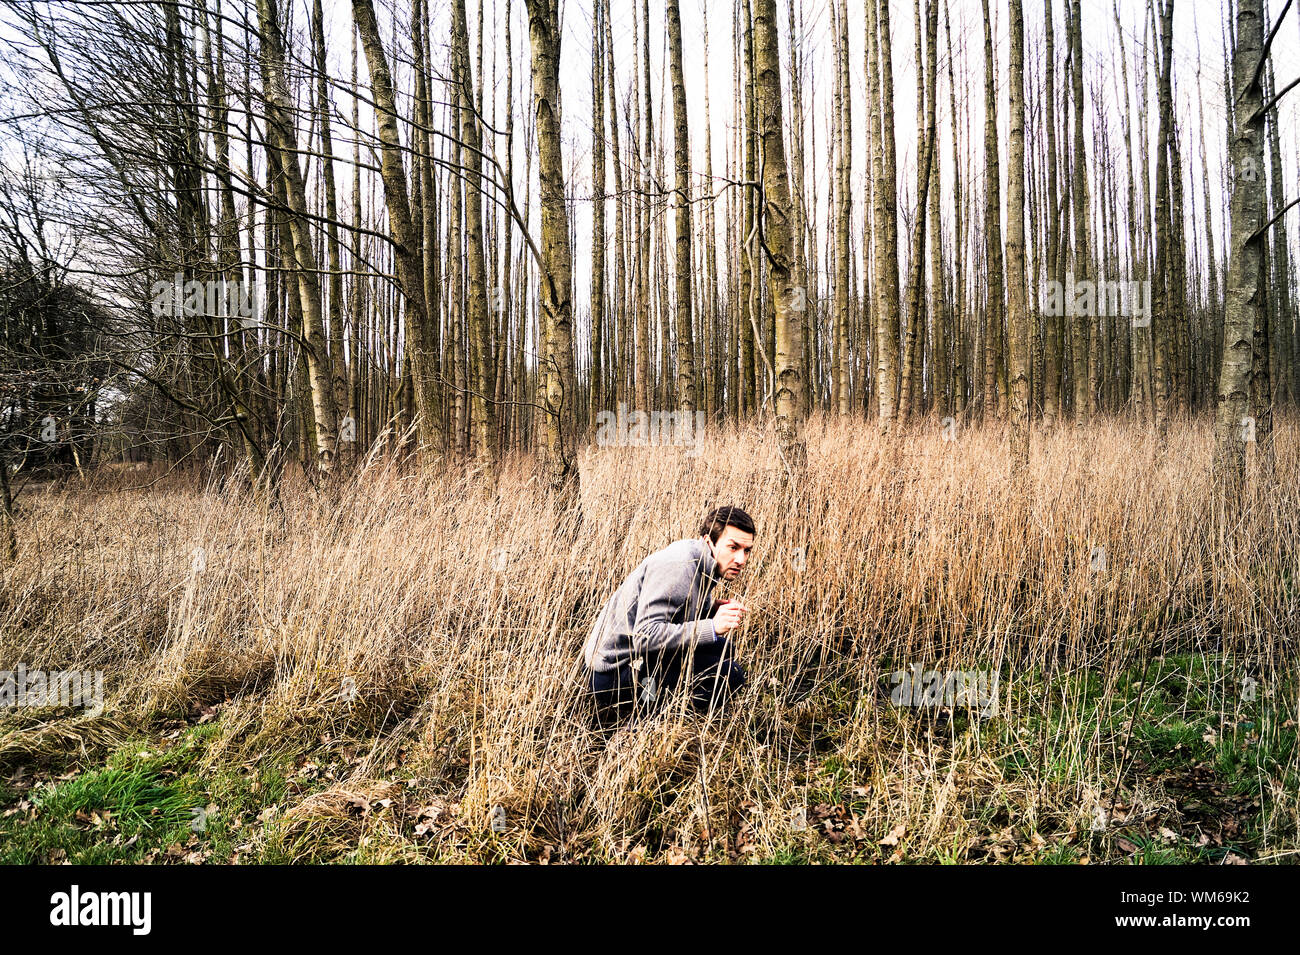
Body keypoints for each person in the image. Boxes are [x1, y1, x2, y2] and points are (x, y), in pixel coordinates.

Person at [582, 505, 755, 723]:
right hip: (614, 672)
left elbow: (673, 614)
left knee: (722, 649)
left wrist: (710, 610)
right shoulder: (679, 567)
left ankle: (654, 703)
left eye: (746, 550)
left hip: (642, 659)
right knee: (730, 676)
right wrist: (711, 627)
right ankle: (646, 720)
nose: (741, 559)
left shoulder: (702, 562)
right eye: (733, 547)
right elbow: (645, 636)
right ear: (709, 541)